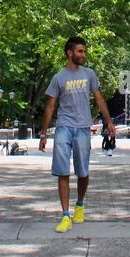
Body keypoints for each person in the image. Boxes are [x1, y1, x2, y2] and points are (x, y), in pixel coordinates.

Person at [38, 36, 116, 233]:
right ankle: (65, 215)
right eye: (80, 51)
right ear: (69, 53)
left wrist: (109, 121)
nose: (83, 54)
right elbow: (50, 107)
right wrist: (43, 134)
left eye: (84, 51)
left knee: (83, 172)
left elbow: (99, 99)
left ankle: (79, 205)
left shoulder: (89, 74)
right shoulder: (58, 78)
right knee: (62, 170)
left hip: (83, 128)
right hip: (63, 127)